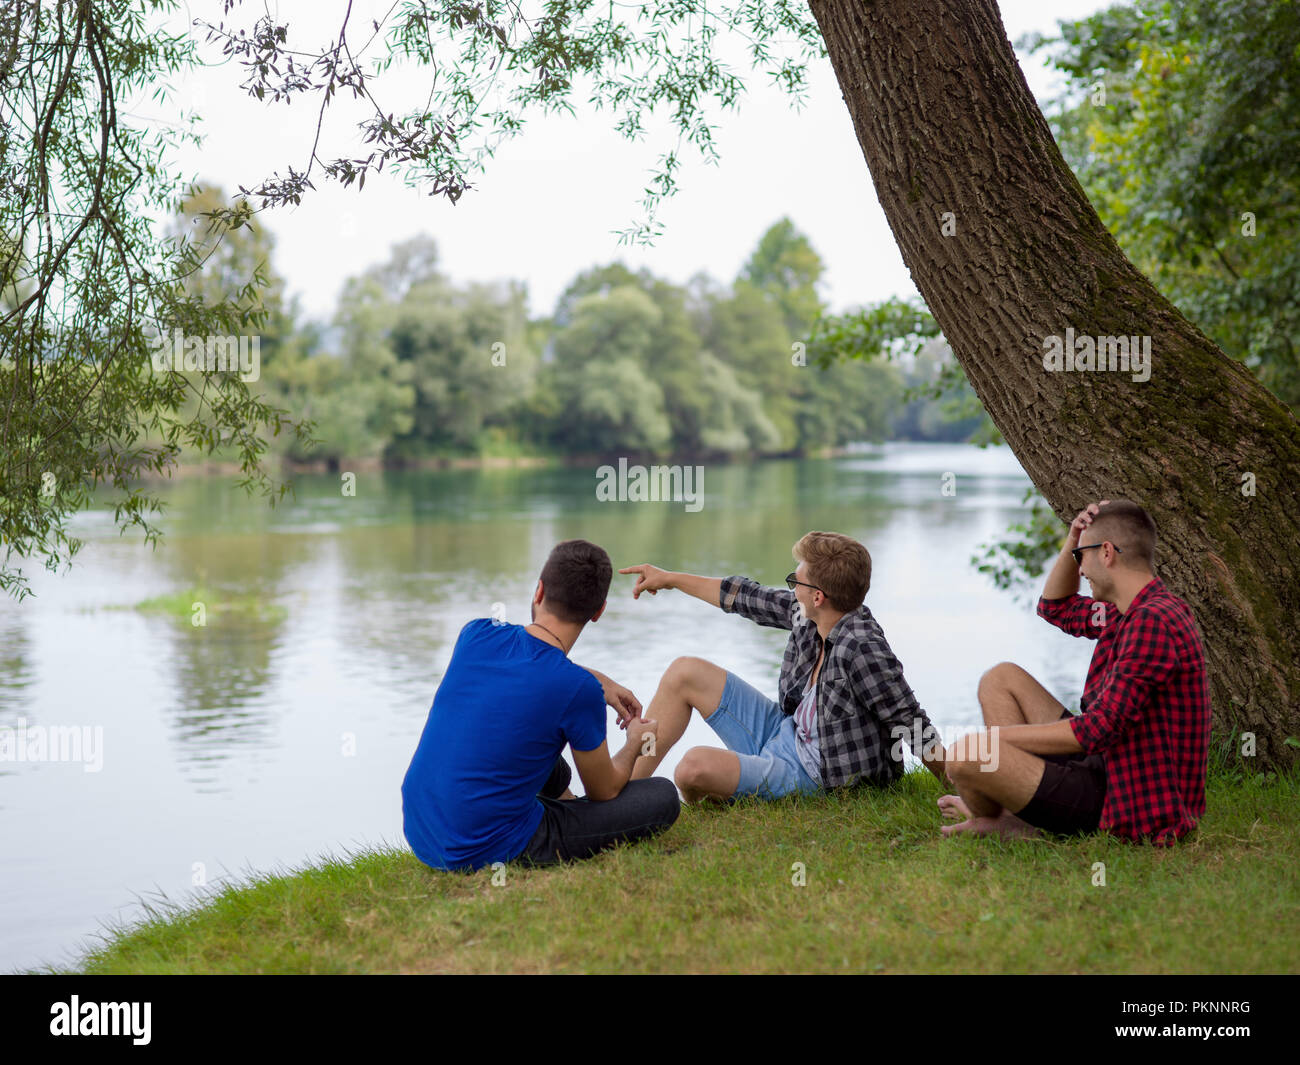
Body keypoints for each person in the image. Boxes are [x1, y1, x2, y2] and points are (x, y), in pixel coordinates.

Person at [939, 499, 1211, 845]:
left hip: (1124, 797)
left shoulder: (1152, 622)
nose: (1079, 569)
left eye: (1080, 557)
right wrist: (1074, 538)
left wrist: (995, 741)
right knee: (1001, 679)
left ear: (1107, 553)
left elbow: (1098, 729)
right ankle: (1010, 811)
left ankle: (1007, 811)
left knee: (968, 756)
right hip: (1107, 765)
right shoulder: (1126, 611)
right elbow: (1056, 607)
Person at [402, 539, 680, 871]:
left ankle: (568, 808)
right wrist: (635, 743)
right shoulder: (578, 690)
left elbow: (526, 666)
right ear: (598, 612)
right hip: (486, 848)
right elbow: (604, 790)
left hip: (422, 831)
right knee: (663, 797)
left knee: (525, 734)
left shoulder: (475, 634)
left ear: (539, 591)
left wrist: (601, 683)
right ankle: (569, 818)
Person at [619, 531, 946, 802]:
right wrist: (670, 578)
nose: (791, 589)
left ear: (818, 596)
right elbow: (744, 597)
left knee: (692, 769)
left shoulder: (861, 648)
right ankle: (623, 795)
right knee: (684, 672)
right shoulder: (811, 615)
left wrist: (962, 792)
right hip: (786, 732)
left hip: (817, 773)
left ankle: (728, 794)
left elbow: (910, 722)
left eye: (795, 582)